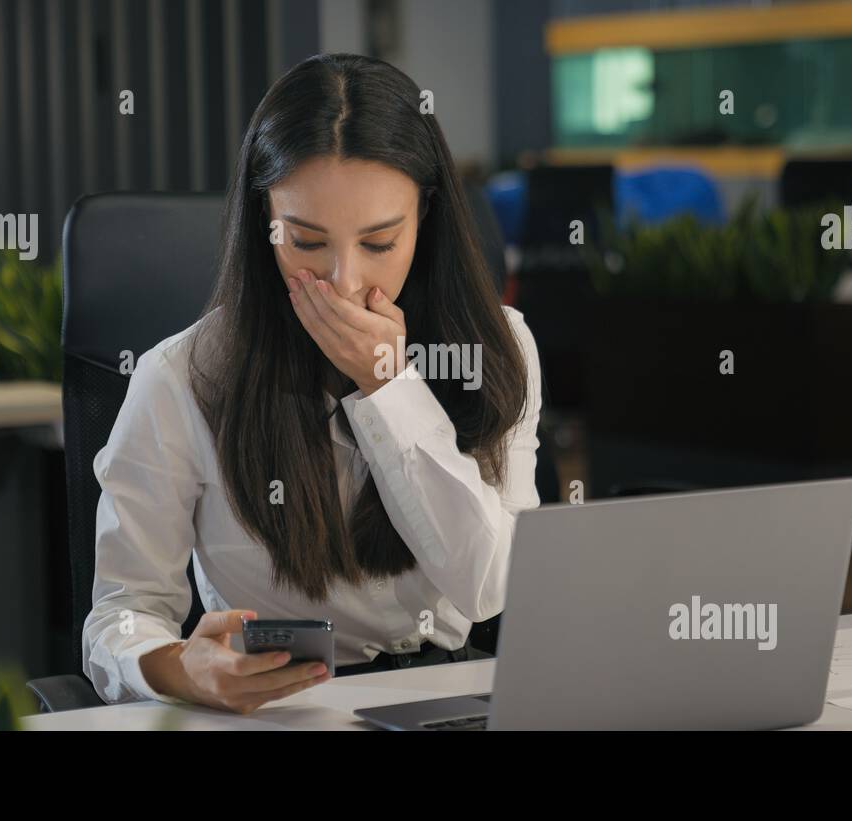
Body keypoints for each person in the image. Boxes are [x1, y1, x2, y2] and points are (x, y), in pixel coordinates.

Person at [82, 53, 542, 714]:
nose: (344, 282)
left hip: (448, 701)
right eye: (304, 241)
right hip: (286, 709)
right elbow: (119, 615)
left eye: (380, 243)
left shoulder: (501, 348)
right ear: (262, 223)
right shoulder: (180, 378)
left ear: (429, 218)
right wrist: (185, 667)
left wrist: (390, 389)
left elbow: (490, 586)